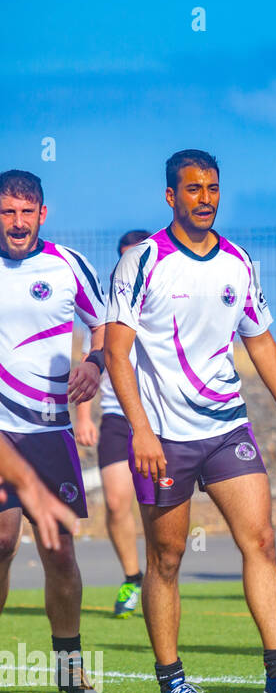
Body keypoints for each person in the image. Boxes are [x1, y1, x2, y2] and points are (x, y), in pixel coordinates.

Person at [105, 148, 276, 693]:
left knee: (261, 540)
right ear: (171, 196)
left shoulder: (239, 262)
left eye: (213, 188)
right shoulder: (142, 260)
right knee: (167, 558)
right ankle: (171, 680)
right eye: (193, 189)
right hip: (163, 437)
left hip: (228, 427)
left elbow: (258, 339)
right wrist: (141, 430)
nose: (205, 199)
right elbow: (116, 351)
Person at [0, 169, 108, 693]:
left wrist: (97, 361)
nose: (17, 223)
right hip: (0, 431)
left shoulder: (68, 266)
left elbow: (104, 323)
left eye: (26, 212)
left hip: (49, 430)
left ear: (43, 213)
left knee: (58, 548)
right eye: (7, 211)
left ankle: (69, 667)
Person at [74, 229, 149, 617]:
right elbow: (95, 356)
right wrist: (84, 415)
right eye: (125, 257)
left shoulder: (164, 300)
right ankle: (132, 578)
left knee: (160, 506)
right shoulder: (106, 309)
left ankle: (161, 576)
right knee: (118, 503)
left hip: (161, 418)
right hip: (118, 418)